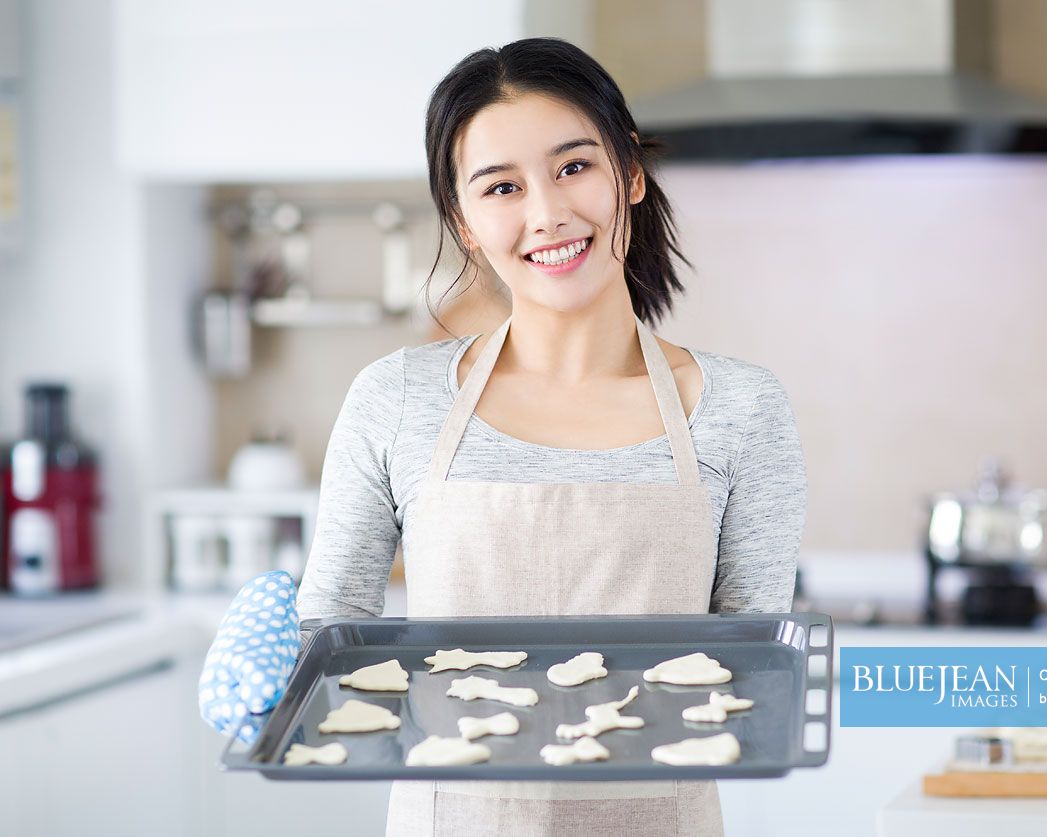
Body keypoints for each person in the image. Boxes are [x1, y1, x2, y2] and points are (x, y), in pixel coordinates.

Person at [202, 37, 806, 837]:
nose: (546, 212)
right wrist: (270, 671)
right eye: (501, 186)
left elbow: (751, 672)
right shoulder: (396, 399)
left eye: (573, 167)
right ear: (464, 220)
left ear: (629, 172)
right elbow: (332, 644)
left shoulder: (741, 408)